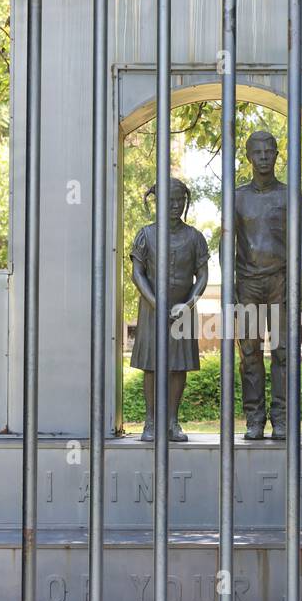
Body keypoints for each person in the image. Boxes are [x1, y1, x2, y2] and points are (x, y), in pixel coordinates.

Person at [234, 130, 302, 440]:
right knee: (249, 353)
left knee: (283, 353)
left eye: (270, 152)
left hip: (280, 280)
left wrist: (297, 281)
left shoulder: (289, 195)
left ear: (277, 156)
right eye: (258, 152)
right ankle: (254, 419)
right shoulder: (237, 195)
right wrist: (231, 287)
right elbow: (229, 241)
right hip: (248, 282)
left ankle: (281, 419)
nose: (264, 157)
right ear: (249, 157)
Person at [129, 177, 210, 442]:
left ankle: (173, 421)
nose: (175, 205)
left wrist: (188, 304)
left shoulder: (195, 237)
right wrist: (154, 302)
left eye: (180, 200)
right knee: (151, 366)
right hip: (152, 309)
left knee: (178, 367)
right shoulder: (146, 234)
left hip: (182, 310)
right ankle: (150, 422)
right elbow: (137, 274)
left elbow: (203, 275)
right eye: (170, 200)